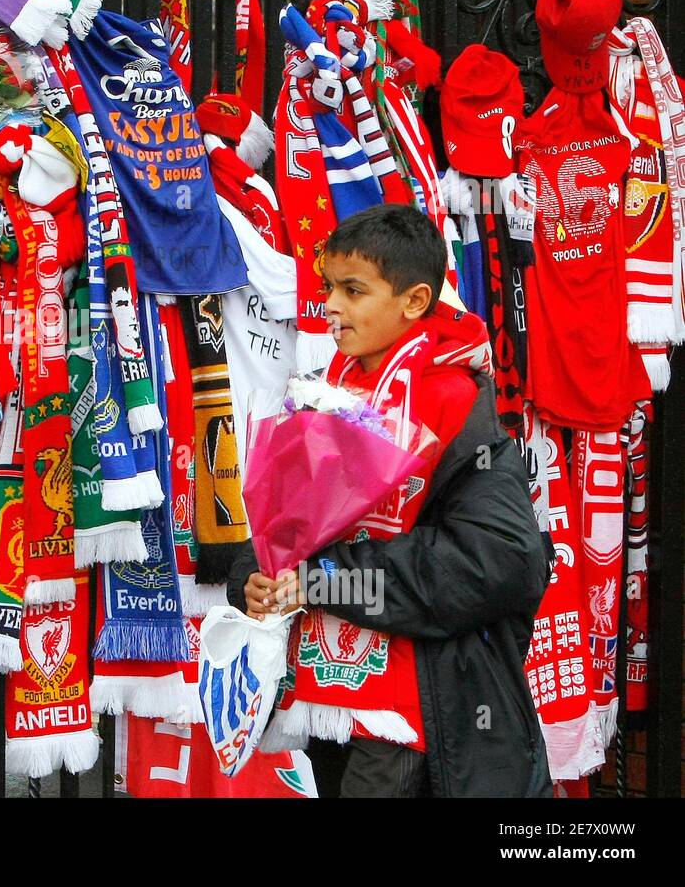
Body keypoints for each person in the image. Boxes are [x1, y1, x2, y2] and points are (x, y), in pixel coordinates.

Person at [228, 205, 552, 798]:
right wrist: (254, 576)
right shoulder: (329, 390)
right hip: (328, 696)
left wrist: (323, 580)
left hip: (415, 707)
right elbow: (286, 525)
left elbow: (496, 562)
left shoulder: (455, 403)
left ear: (415, 300)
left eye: (354, 291)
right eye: (329, 287)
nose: (331, 305)